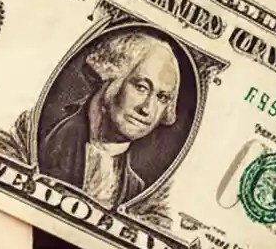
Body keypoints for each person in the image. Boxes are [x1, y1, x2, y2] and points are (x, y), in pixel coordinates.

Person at [39, 30, 182, 207]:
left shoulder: (135, 189)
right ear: (111, 78)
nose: (147, 109)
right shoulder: (48, 141)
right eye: (141, 87)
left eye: (162, 97)